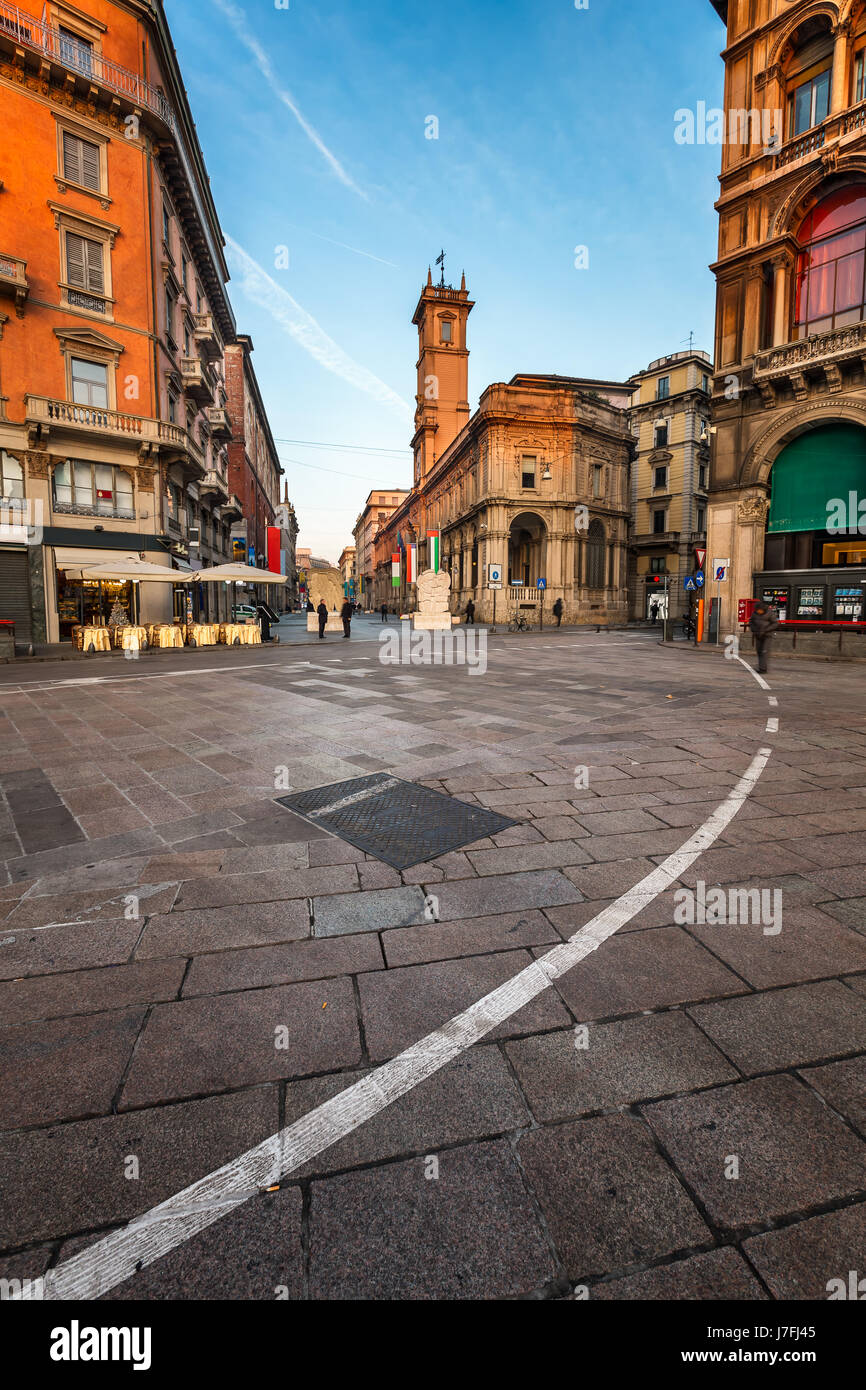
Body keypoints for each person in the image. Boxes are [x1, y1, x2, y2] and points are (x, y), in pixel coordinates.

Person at [749, 599, 780, 675]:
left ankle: (763, 669)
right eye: (757, 610)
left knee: (765, 651)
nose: (758, 612)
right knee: (759, 651)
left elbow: (775, 623)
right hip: (758, 635)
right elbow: (751, 622)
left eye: (760, 610)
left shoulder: (770, 613)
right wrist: (754, 630)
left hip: (767, 635)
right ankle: (761, 667)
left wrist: (766, 630)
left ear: (763, 609)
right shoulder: (754, 613)